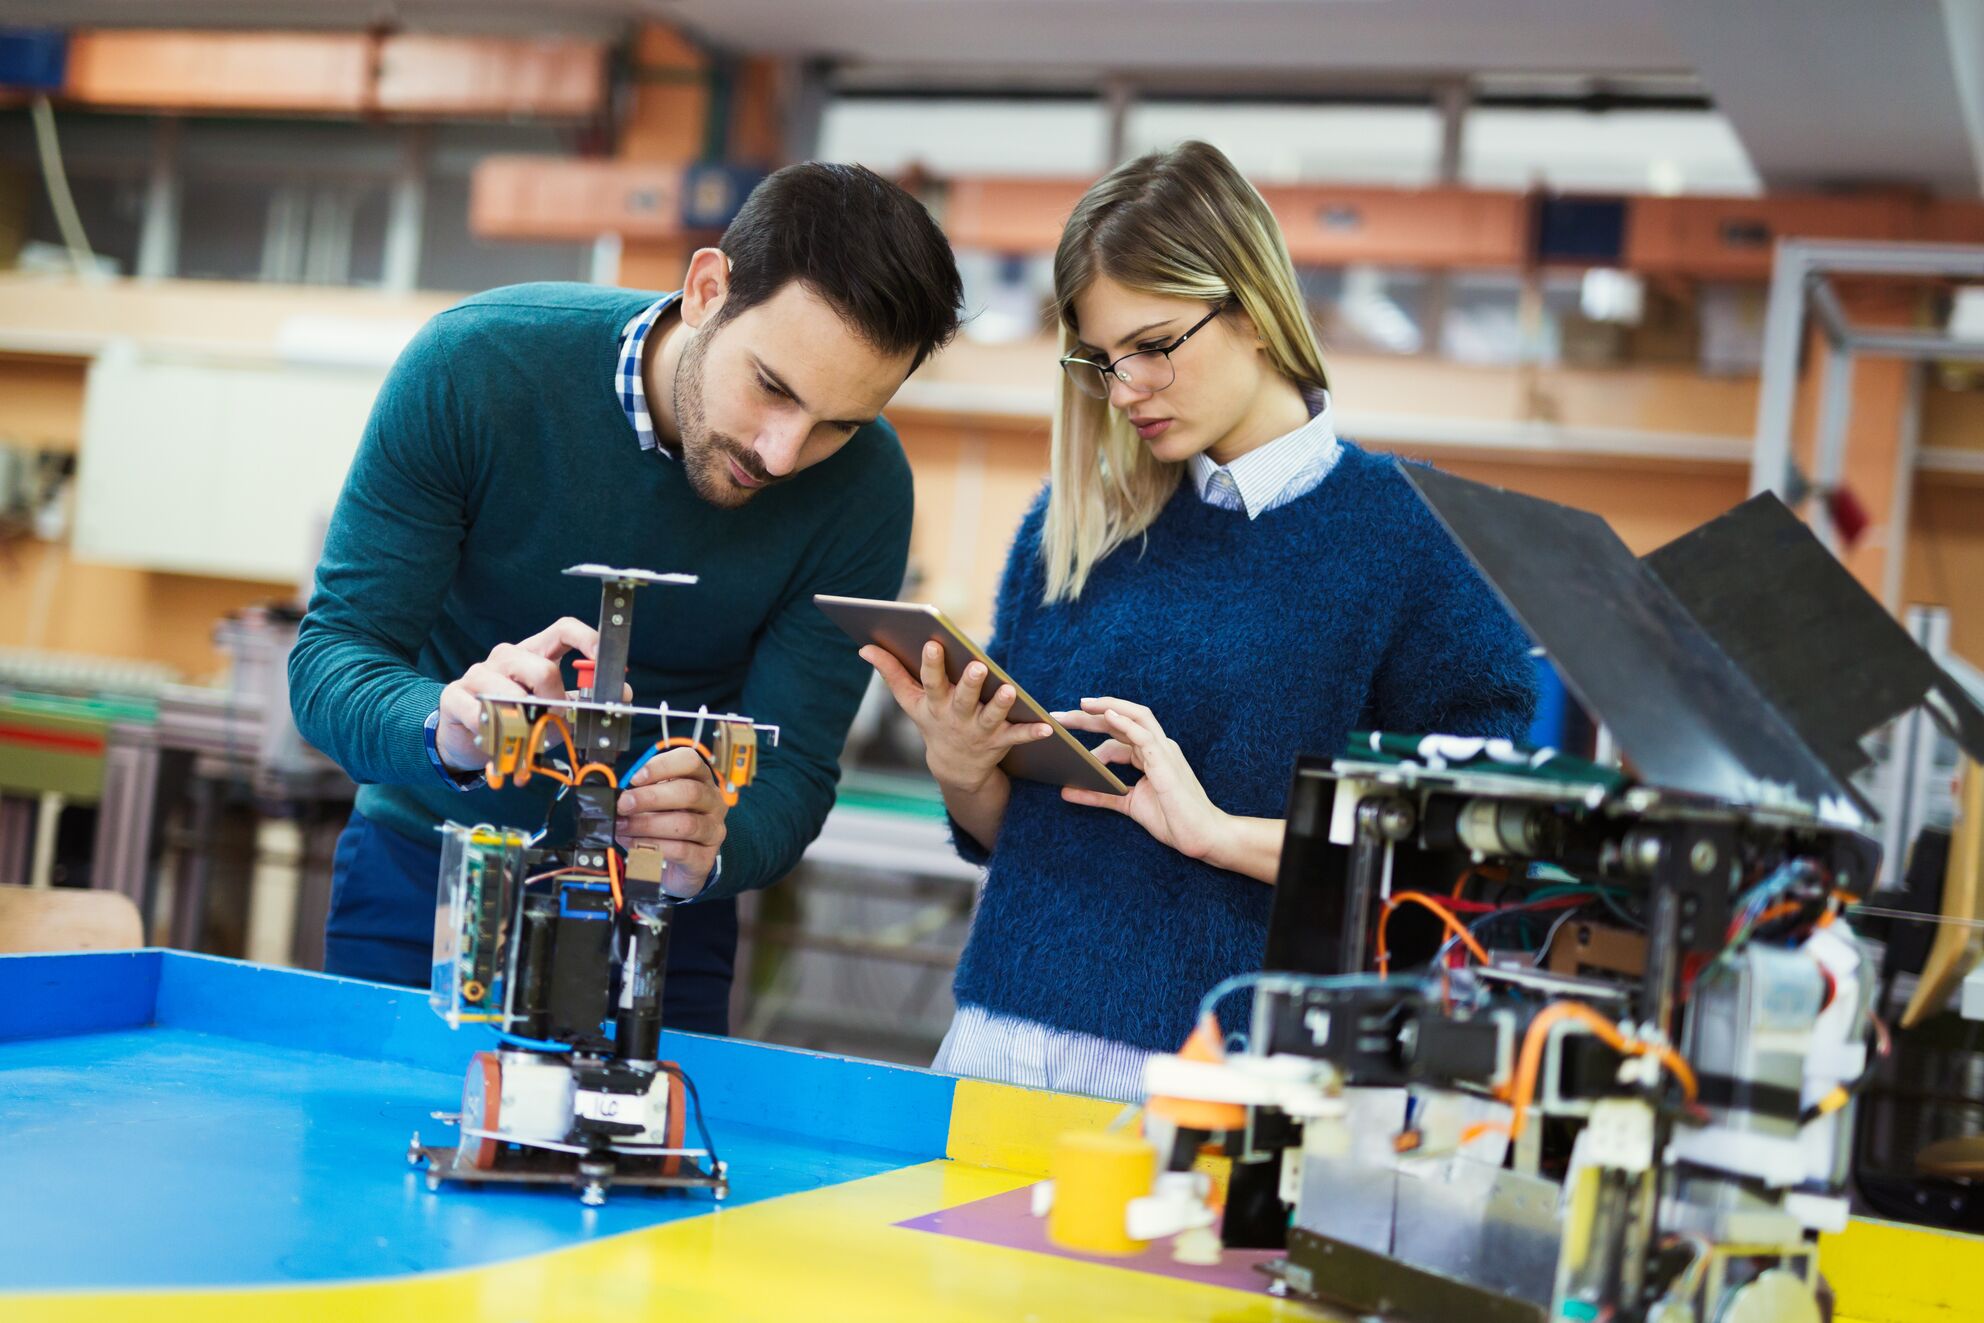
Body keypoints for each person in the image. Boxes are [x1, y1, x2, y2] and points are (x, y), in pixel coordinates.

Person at [863, 141, 1538, 1101]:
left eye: (1154, 345)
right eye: (1101, 360)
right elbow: (1011, 834)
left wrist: (1218, 832)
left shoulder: (1415, 542)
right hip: (993, 1048)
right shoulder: (1069, 531)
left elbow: (1464, 851)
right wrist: (962, 768)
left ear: (1254, 309)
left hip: (1213, 1082)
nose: (1127, 388)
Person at [290, 162, 963, 1034]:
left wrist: (715, 839)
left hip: (667, 920)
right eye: (774, 388)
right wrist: (446, 722)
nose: (785, 454)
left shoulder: (867, 491)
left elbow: (792, 770)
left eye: (839, 423)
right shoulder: (477, 368)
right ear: (707, 289)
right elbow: (331, 658)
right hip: (430, 871)